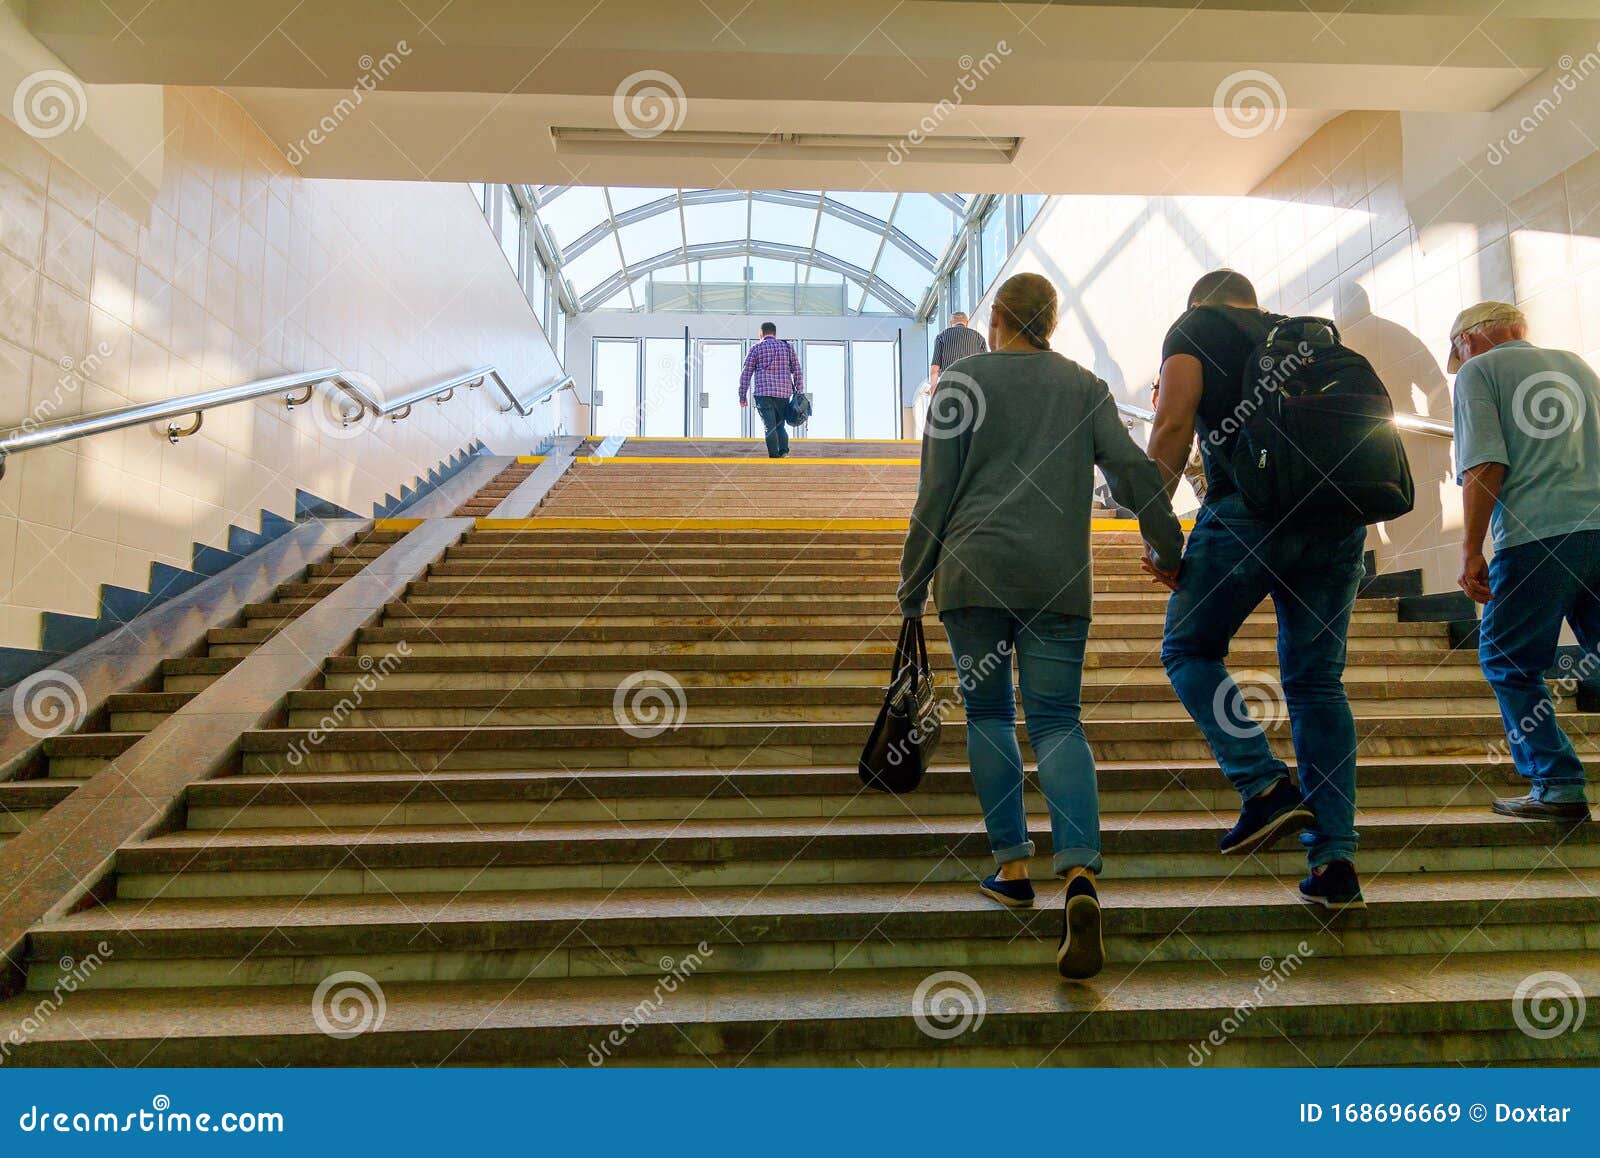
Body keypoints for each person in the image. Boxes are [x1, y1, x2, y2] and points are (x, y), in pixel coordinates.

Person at [898, 272, 1183, 979]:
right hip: (1058, 580)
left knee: (989, 717)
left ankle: (1013, 866)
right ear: (1052, 322)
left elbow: (934, 493)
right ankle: (1080, 874)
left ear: (996, 317)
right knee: (1058, 721)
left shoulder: (960, 386)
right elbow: (1131, 472)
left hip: (973, 574)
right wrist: (1169, 544)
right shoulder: (1083, 387)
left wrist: (911, 582)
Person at [1145, 269, 1368, 911]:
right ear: (1251, 298)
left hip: (1251, 514)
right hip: (1338, 522)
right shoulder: (1305, 336)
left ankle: (1264, 785)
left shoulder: (1195, 328)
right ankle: (1335, 861)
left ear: (1199, 303)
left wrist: (1161, 536)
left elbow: (1170, 427)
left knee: (1188, 650)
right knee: (1318, 684)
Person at [1450, 300, 1599, 823]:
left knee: (1508, 660)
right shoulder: (1578, 365)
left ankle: (1557, 784)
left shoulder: (1477, 371)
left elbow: (1485, 463)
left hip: (1538, 537)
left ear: (1468, 338)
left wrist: (1471, 549)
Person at [738, 322, 804, 458]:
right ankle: (784, 451)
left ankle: (774, 457)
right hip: (783, 393)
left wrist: (742, 395)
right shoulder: (787, 347)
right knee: (780, 425)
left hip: (763, 393)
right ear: (775, 334)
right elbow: (797, 370)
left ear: (761, 334)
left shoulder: (756, 348)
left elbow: (746, 373)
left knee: (770, 426)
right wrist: (799, 390)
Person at [928, 311, 988, 392]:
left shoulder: (942, 336)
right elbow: (984, 367)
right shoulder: (979, 338)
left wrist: (933, 392)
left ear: (951, 323)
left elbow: (935, 368)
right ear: (967, 323)